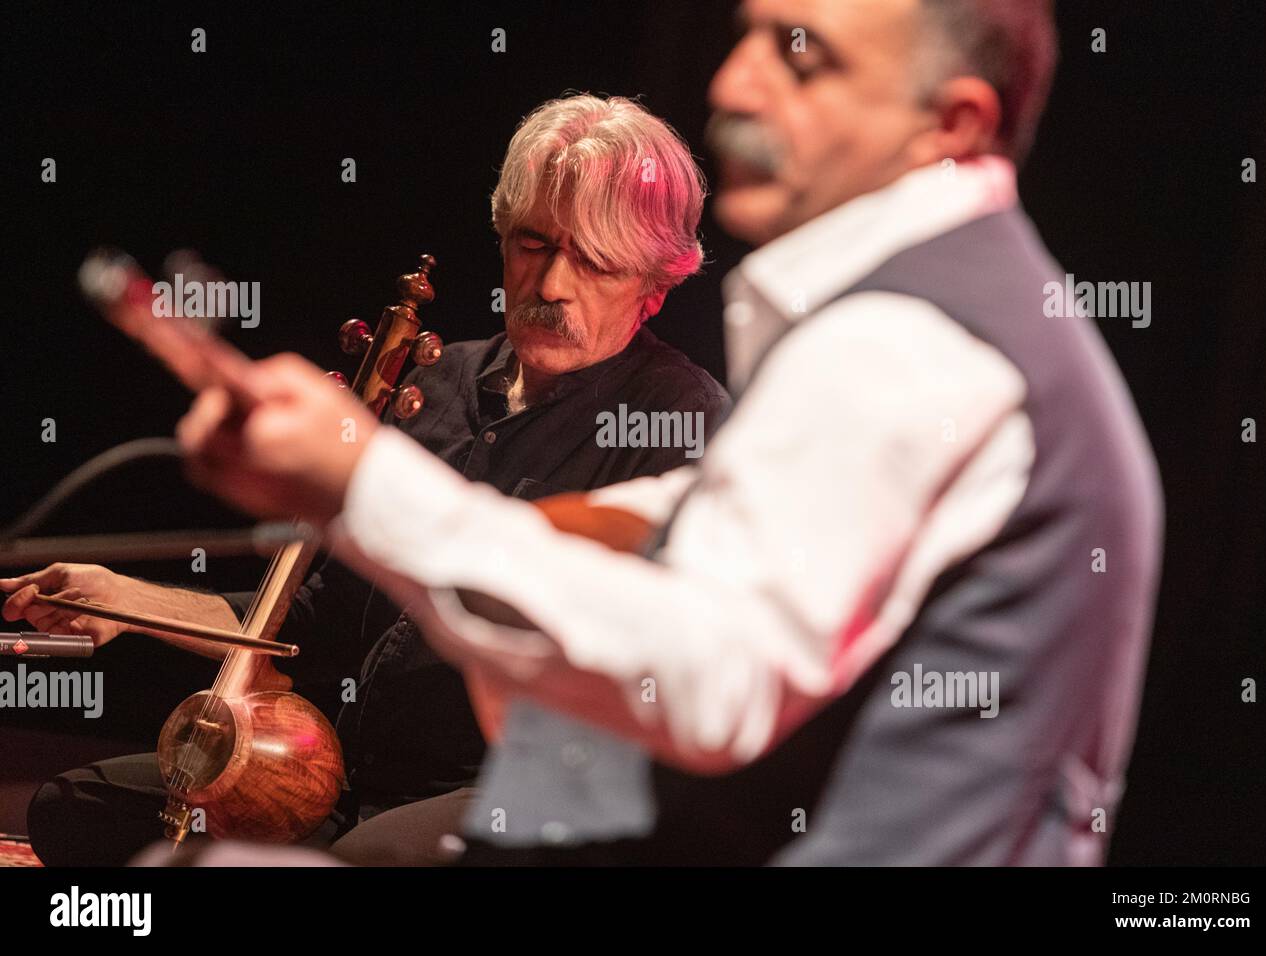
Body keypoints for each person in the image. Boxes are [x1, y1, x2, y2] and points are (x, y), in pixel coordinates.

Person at [117, 0, 1166, 866]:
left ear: (953, 122)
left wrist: (360, 483)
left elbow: (711, 683)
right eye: (752, 34)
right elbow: (707, 527)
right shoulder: (974, 310)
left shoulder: (903, 339)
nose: (735, 85)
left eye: (804, 56)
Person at [2, 94, 729, 866]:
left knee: (367, 860)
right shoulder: (438, 379)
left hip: (512, 789)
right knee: (77, 809)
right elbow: (311, 618)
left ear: (659, 280)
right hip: (343, 778)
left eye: (594, 261)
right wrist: (127, 602)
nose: (550, 286)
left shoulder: (680, 419)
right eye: (532, 245)